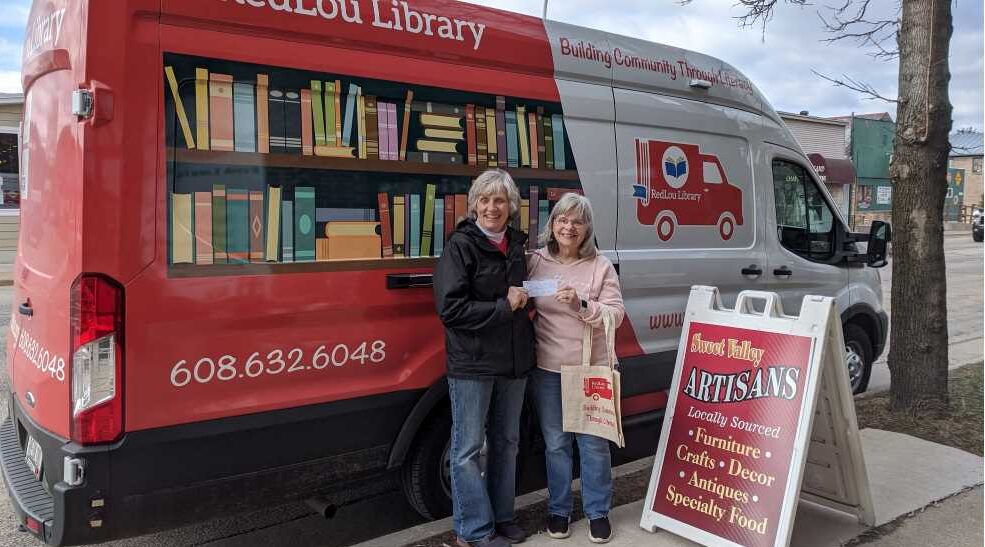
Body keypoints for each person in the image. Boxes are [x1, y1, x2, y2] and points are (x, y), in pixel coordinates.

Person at [433, 169, 536, 547]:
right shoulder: (460, 246)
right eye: (485, 199)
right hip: (473, 363)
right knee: (468, 449)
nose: (493, 207)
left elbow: (525, 296)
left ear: (511, 207)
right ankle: (473, 531)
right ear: (474, 204)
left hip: (514, 361)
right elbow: (451, 309)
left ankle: (502, 516)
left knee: (508, 441)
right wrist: (503, 307)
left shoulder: (517, 245)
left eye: (501, 200)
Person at [526, 193, 625, 544]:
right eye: (562, 220)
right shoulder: (536, 261)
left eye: (577, 222)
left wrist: (583, 305)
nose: (569, 227)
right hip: (548, 367)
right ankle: (559, 509)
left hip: (590, 368)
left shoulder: (600, 265)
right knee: (555, 444)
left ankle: (598, 512)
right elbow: (525, 297)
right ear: (552, 224)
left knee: (593, 445)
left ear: (586, 229)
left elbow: (616, 314)